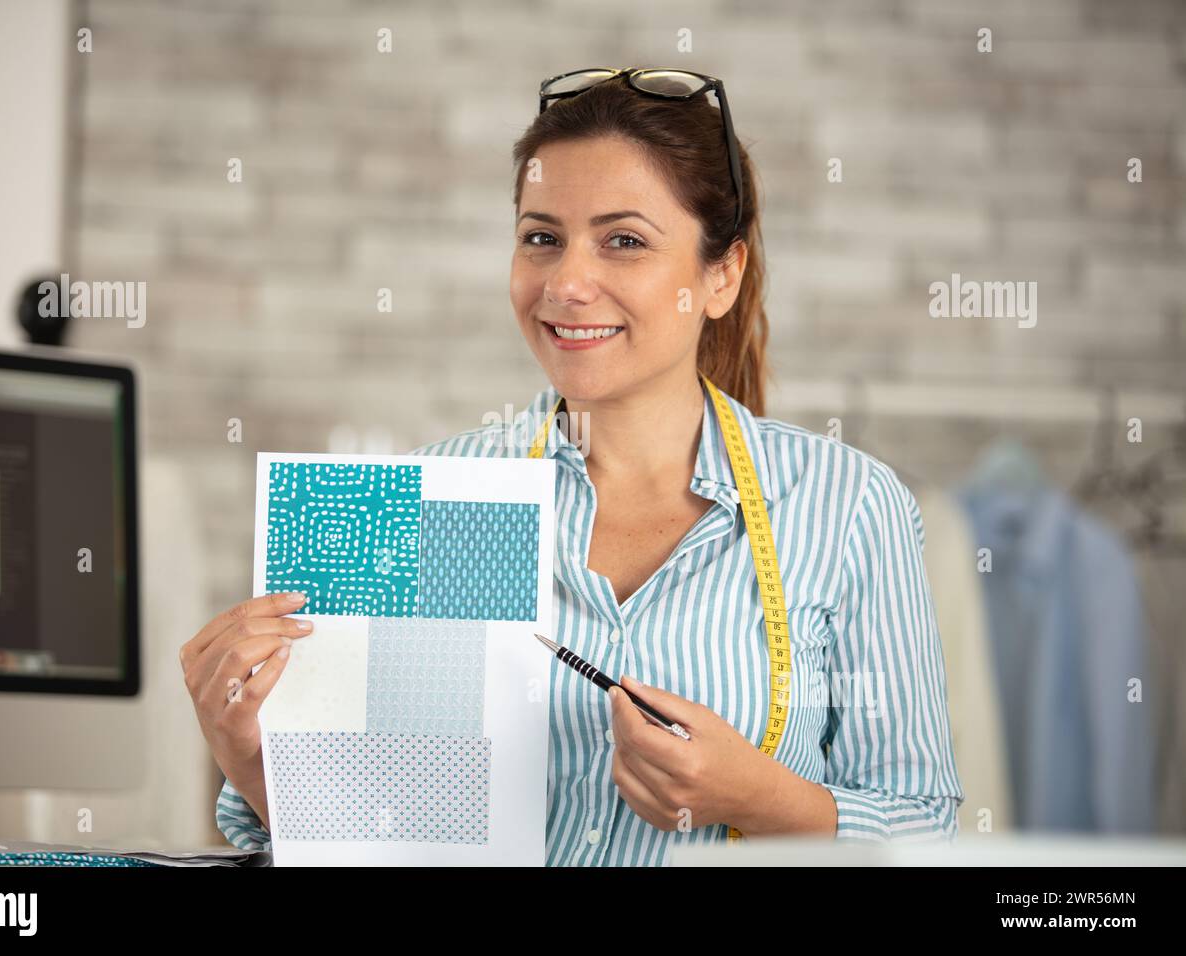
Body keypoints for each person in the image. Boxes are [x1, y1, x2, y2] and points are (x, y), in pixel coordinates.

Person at [181, 68, 964, 866]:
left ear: (719, 275)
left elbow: (928, 836)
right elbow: (384, 840)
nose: (566, 283)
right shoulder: (422, 498)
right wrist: (252, 761)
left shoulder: (850, 505)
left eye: (623, 241)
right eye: (541, 237)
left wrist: (757, 799)